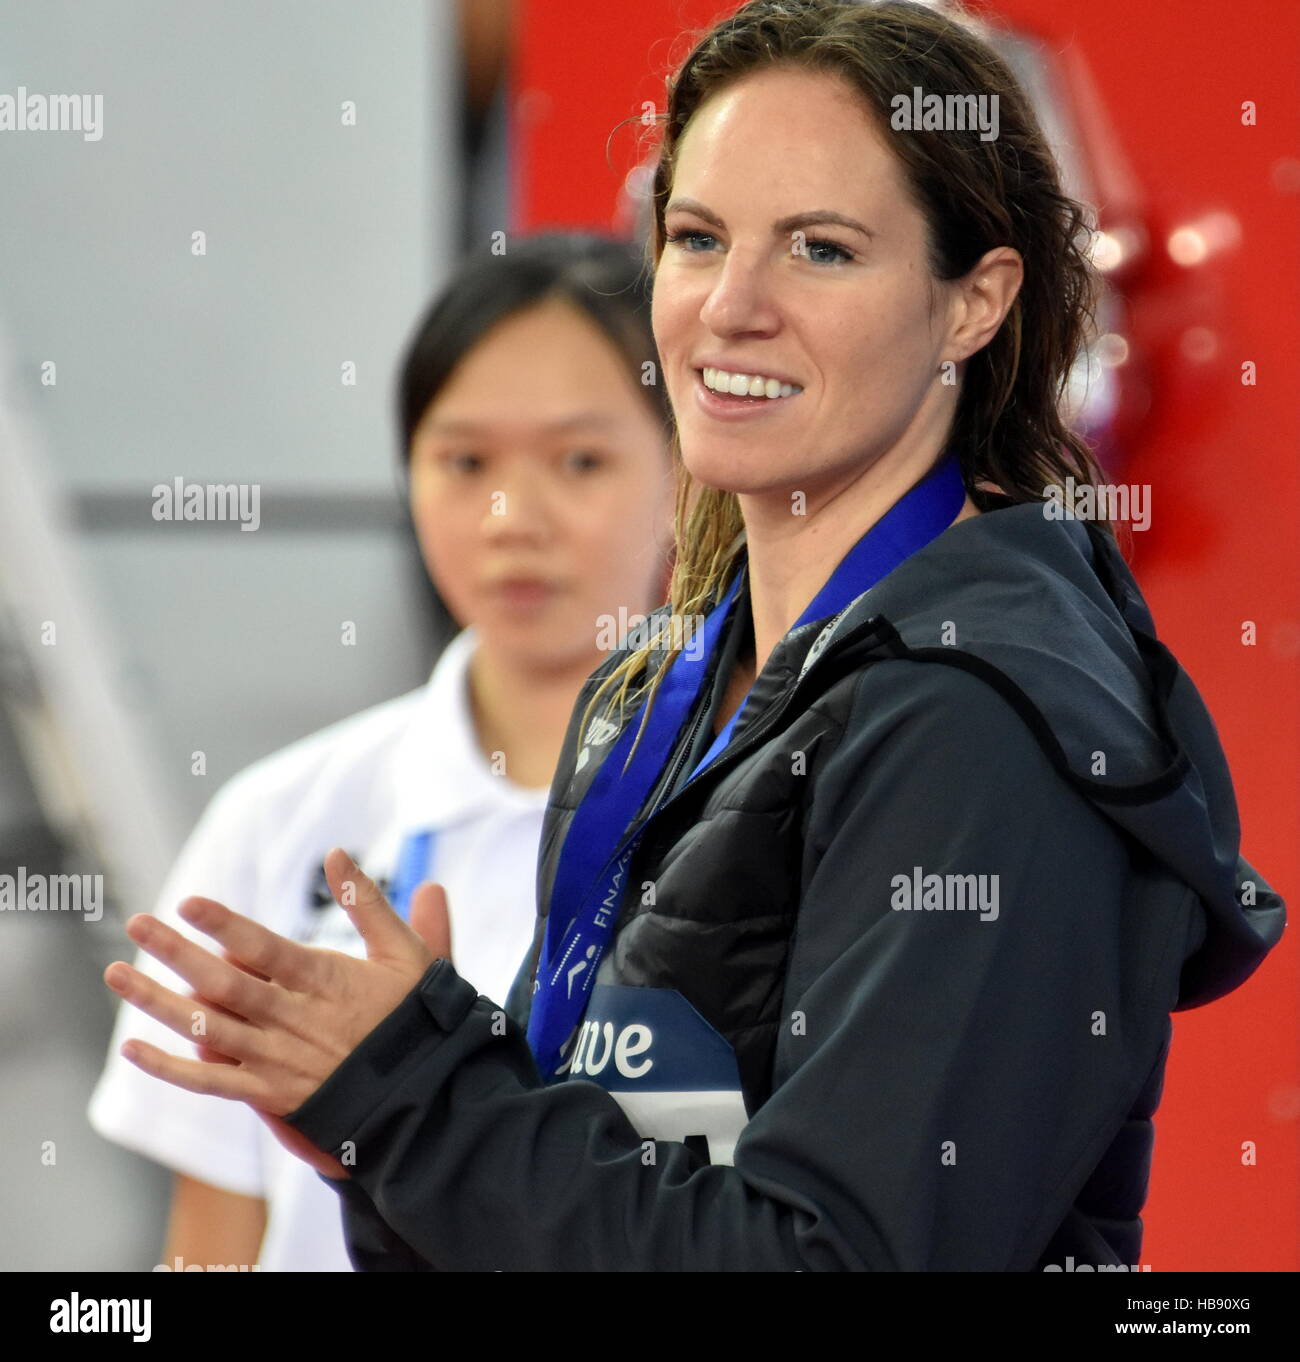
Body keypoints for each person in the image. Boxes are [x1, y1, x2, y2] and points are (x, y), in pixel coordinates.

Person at [103, 0, 1285, 1271]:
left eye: (821, 250)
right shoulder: (651, 695)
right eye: (697, 236)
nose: (731, 306)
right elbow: (613, 1204)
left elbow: (827, 1262)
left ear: (972, 304)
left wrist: (417, 1097)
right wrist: (389, 1129)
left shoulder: (972, 720)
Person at [88, 232, 675, 1270]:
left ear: (689, 475)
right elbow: (211, 1244)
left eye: (580, 459)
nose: (512, 518)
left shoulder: (744, 804)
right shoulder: (282, 817)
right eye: (464, 462)